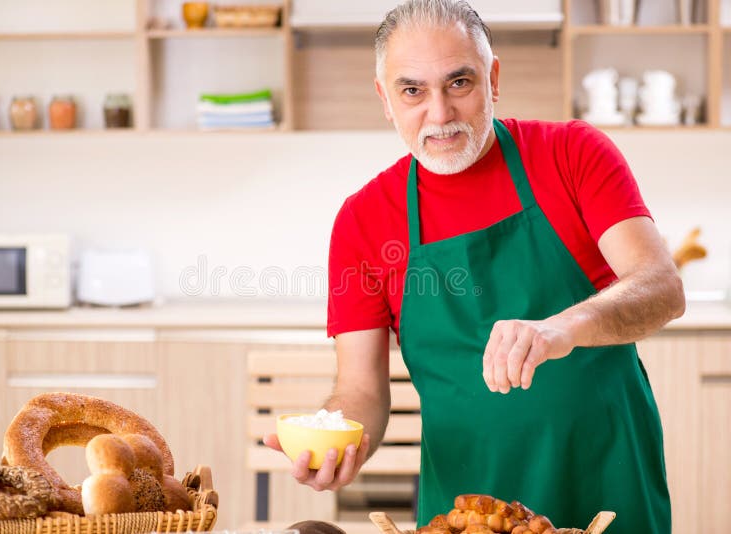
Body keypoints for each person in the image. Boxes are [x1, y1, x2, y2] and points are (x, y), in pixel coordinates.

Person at [265, 1, 685, 532]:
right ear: (385, 100)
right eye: (412, 90)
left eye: (458, 82)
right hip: (465, 509)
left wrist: (564, 328)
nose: (438, 114)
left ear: (493, 77)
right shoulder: (363, 221)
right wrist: (339, 444)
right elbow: (362, 390)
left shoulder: (573, 154)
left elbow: (661, 286)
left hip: (607, 479)